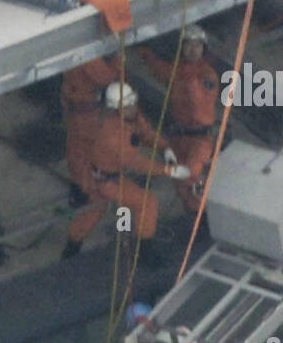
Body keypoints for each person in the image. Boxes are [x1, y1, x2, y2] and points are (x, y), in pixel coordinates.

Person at [61, 82, 190, 258]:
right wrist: (169, 171)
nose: (133, 106)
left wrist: (165, 148)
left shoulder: (131, 118)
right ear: (118, 109)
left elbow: (146, 133)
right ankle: (143, 250)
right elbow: (137, 163)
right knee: (146, 202)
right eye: (128, 104)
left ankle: (71, 248)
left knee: (94, 210)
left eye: (132, 102)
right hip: (104, 180)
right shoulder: (113, 134)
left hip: (102, 174)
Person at [140, 24, 219, 212]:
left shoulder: (208, 76)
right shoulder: (176, 71)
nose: (193, 50)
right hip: (178, 138)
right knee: (180, 184)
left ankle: (204, 217)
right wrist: (142, 52)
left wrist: (188, 78)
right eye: (189, 45)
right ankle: (192, 214)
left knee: (191, 176)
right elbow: (157, 68)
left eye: (197, 45)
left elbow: (199, 105)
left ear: (203, 49)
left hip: (200, 140)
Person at [61, 57, 121, 207]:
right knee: (87, 149)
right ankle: (88, 190)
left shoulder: (74, 51)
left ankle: (80, 187)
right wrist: (118, 60)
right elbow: (105, 77)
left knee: (76, 148)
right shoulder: (87, 56)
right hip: (85, 112)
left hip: (74, 107)